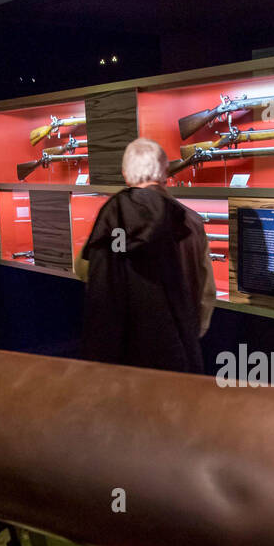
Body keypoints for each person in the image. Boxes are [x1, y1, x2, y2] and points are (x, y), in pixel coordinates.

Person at [79, 137, 216, 373]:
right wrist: (190, 332)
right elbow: (205, 292)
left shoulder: (113, 217)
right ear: (164, 172)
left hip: (121, 354)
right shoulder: (190, 221)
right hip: (177, 349)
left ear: (125, 173)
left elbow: (87, 272)